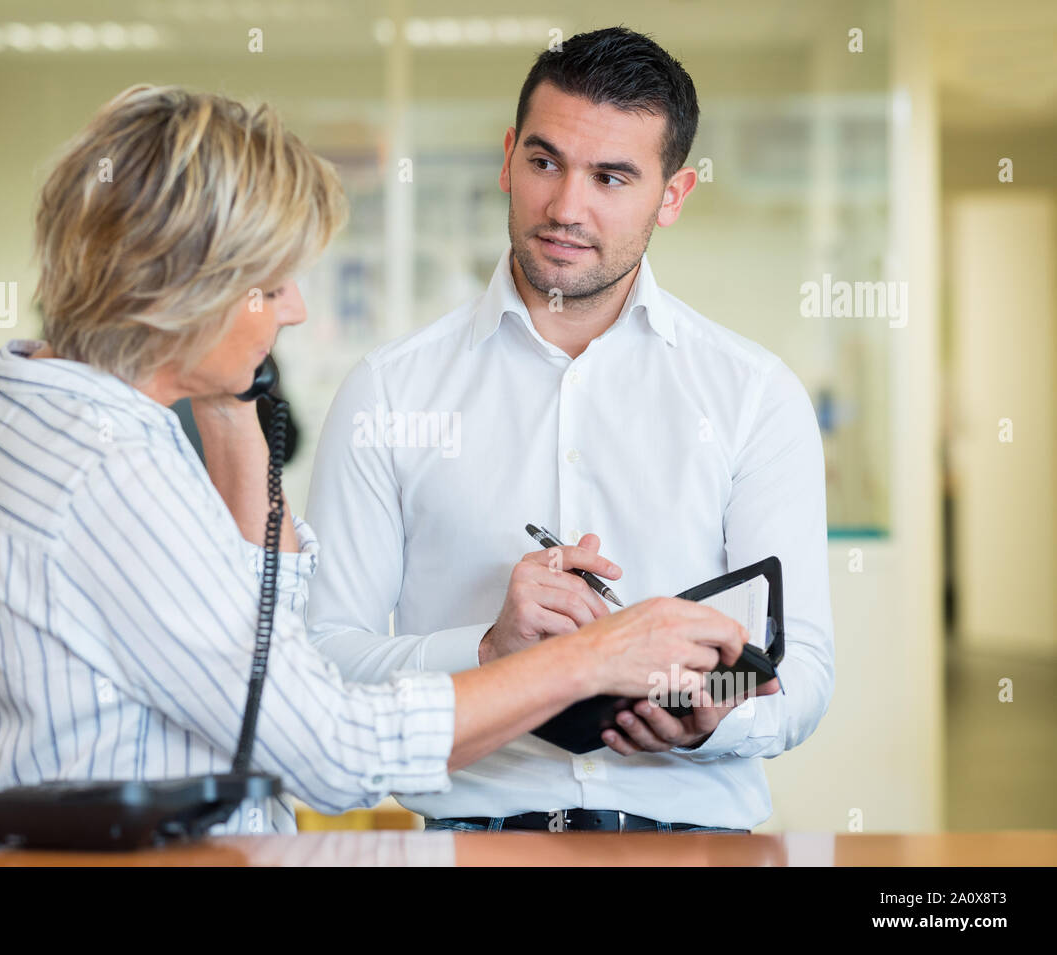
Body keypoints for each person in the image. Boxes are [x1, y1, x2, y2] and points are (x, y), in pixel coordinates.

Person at [0, 84, 750, 835]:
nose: (296, 307)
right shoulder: (113, 478)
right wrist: (590, 657)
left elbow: (266, 633)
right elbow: (334, 750)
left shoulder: (30, 414)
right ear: (178, 288)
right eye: (271, 282)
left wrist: (229, 400)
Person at [306, 27, 832, 833]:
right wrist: (485, 651)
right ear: (509, 155)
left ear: (673, 195)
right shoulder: (389, 389)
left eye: (612, 177)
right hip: (473, 841)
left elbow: (801, 676)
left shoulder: (753, 395)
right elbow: (323, 663)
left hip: (693, 842)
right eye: (545, 162)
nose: (565, 207)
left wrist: (712, 713)